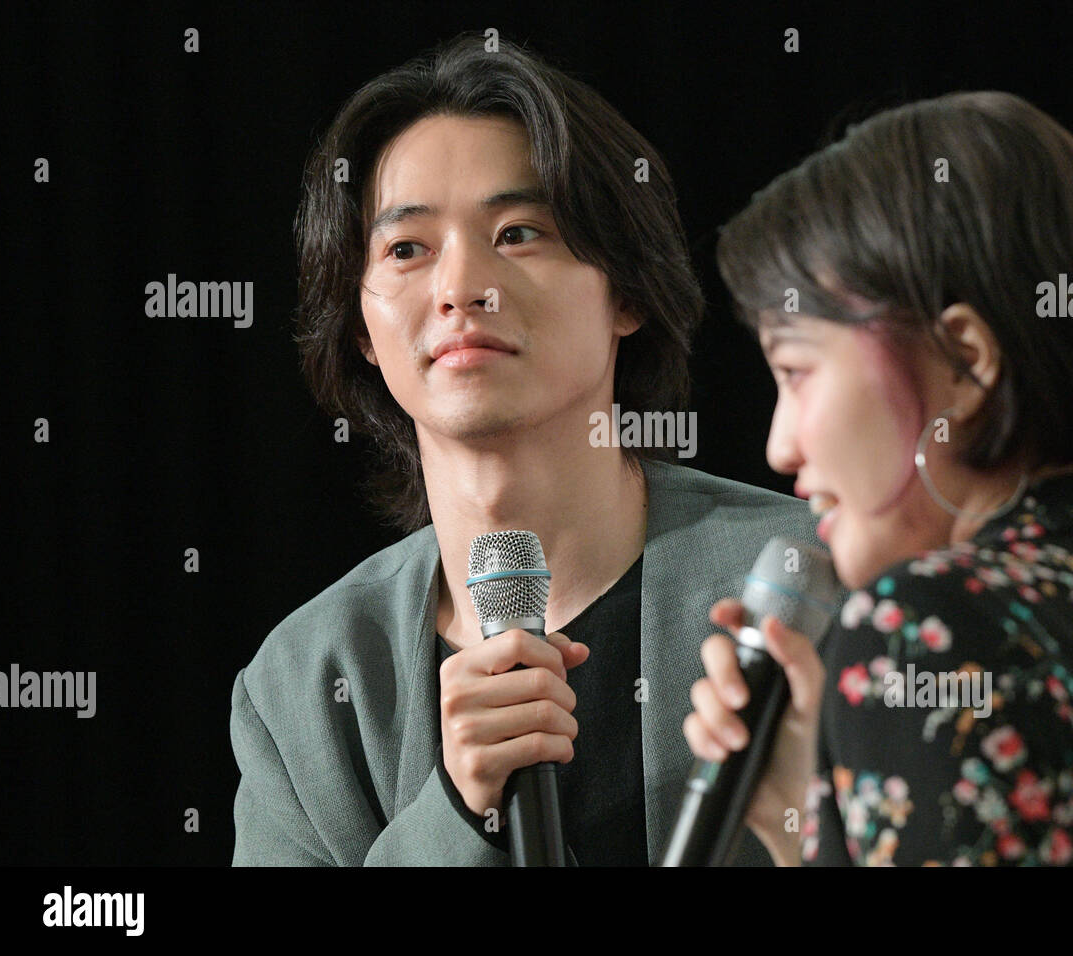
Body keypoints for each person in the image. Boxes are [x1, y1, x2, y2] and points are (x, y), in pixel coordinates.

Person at [229, 33, 816, 866]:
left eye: (517, 233)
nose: (462, 285)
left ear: (627, 292)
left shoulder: (805, 582)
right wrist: (454, 816)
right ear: (360, 328)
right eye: (406, 249)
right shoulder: (304, 685)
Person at [683, 91, 1073, 866]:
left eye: (797, 371)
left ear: (965, 361)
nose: (779, 446)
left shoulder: (921, 625)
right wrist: (809, 809)